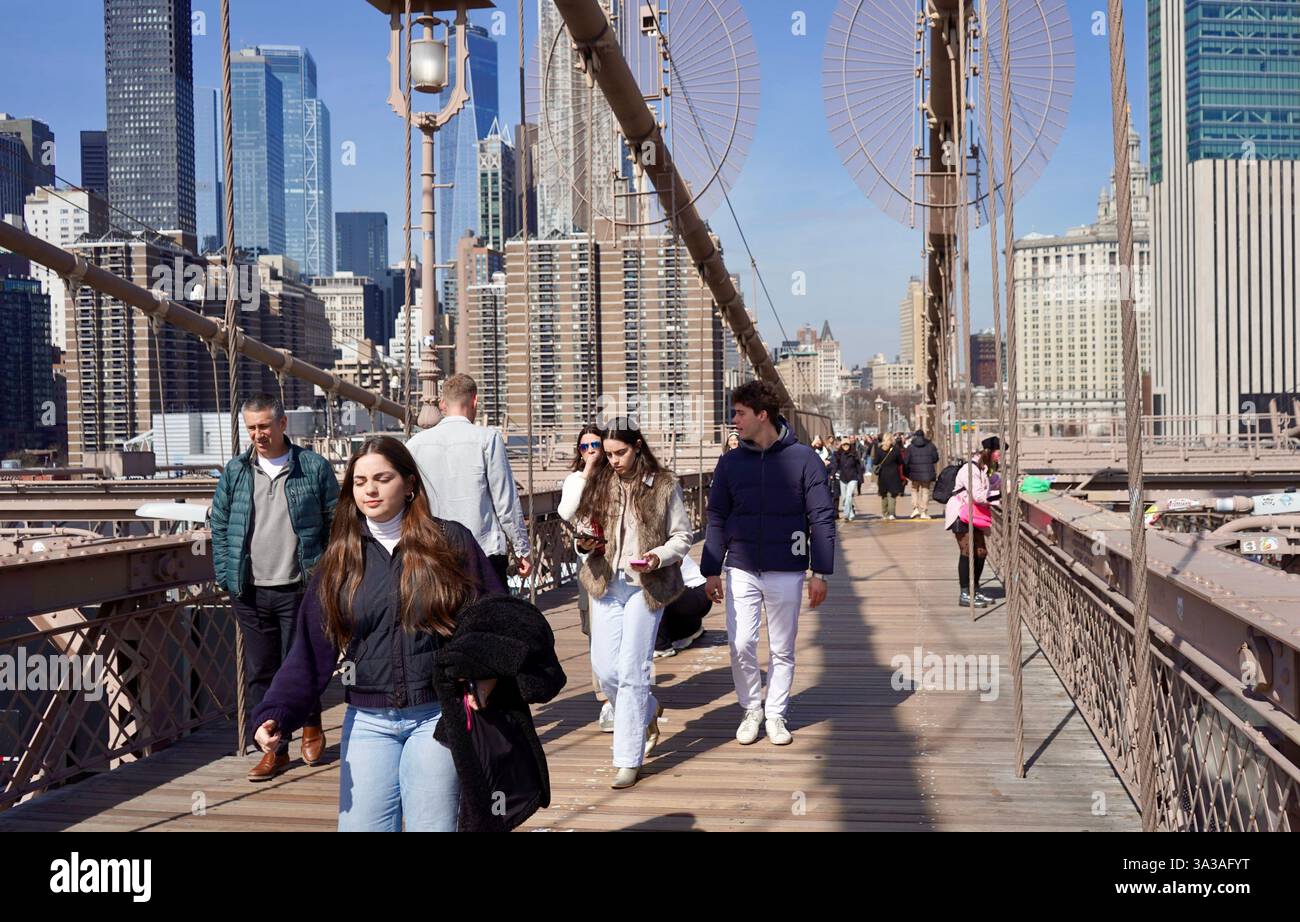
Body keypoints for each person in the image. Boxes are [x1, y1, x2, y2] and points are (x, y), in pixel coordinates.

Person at [250, 437, 564, 831]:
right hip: (367, 719)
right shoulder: (341, 557)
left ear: (409, 483)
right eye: (360, 481)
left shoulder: (450, 543)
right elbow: (311, 651)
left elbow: (496, 619)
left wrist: (488, 675)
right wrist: (277, 712)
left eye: (382, 478)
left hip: (435, 715)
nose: (370, 490)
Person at [210, 393, 339, 782]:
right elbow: (218, 525)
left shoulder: (313, 467)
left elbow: (336, 523)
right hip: (250, 589)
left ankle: (312, 722)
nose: (258, 435)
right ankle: (274, 750)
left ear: (283, 424)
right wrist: (225, 577)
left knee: (301, 662)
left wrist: (328, 578)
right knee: (260, 670)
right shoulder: (235, 472)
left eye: (264, 426)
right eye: (251, 428)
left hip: (301, 585)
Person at [702, 380, 836, 747]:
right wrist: (711, 569)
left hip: (787, 569)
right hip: (742, 566)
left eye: (740, 413)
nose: (734, 420)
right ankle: (750, 708)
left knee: (782, 647)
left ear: (762, 415)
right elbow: (716, 515)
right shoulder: (730, 463)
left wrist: (820, 572)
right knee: (741, 642)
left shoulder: (805, 459)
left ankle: (775, 712)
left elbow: (821, 517)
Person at [572, 419, 694, 789]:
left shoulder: (664, 485)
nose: (614, 461)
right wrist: (585, 543)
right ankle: (649, 708)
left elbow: (683, 535)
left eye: (619, 452)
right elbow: (581, 525)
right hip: (605, 583)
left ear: (637, 446)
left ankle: (628, 758)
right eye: (607, 455)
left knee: (632, 669)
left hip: (647, 586)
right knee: (605, 669)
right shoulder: (600, 480)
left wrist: (658, 556)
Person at [406, 373, 532, 588]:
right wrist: (522, 550)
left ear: (443, 404)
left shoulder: (414, 444)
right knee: (487, 618)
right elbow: (505, 502)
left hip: (435, 552)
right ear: (475, 401)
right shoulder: (487, 438)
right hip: (483, 552)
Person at [558, 425, 614, 732]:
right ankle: (605, 700)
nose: (590, 450)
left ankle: (626, 695)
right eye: (584, 447)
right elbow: (566, 512)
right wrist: (588, 471)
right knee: (597, 635)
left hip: (620, 563)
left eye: (595, 445)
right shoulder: (574, 480)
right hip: (590, 566)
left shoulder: (617, 476)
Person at [944, 436, 1001, 608]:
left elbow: (993, 483)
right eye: (998, 452)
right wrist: (999, 498)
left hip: (974, 514)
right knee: (968, 552)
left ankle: (974, 589)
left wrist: (1011, 484)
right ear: (990, 452)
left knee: (981, 552)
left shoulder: (982, 469)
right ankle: (965, 593)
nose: (1000, 456)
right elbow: (978, 496)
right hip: (961, 514)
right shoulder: (970, 469)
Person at [653, 554, 713, 658]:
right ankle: (691, 628)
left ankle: (662, 647)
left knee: (650, 589)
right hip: (692, 594)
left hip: (696, 593)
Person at [905, 428, 940, 519]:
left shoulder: (910, 447)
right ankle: (924, 511)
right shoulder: (931, 445)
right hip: (927, 473)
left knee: (914, 490)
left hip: (914, 472)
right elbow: (935, 458)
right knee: (925, 491)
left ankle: (915, 509)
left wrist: (907, 471)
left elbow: (906, 461)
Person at [829, 438, 866, 521]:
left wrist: (860, 477)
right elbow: (836, 465)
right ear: (841, 446)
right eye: (844, 445)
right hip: (843, 478)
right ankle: (851, 513)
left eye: (847, 444)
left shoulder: (854, 454)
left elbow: (858, 467)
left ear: (850, 445)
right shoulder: (838, 454)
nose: (846, 446)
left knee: (849, 495)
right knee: (845, 498)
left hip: (853, 478)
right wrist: (832, 474)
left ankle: (846, 514)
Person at [872, 432, 906, 521]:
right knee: (892, 495)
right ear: (891, 440)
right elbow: (900, 462)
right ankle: (892, 514)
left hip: (883, 475)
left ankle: (884, 513)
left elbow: (875, 462)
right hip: (893, 474)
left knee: (884, 495)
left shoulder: (879, 450)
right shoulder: (895, 450)